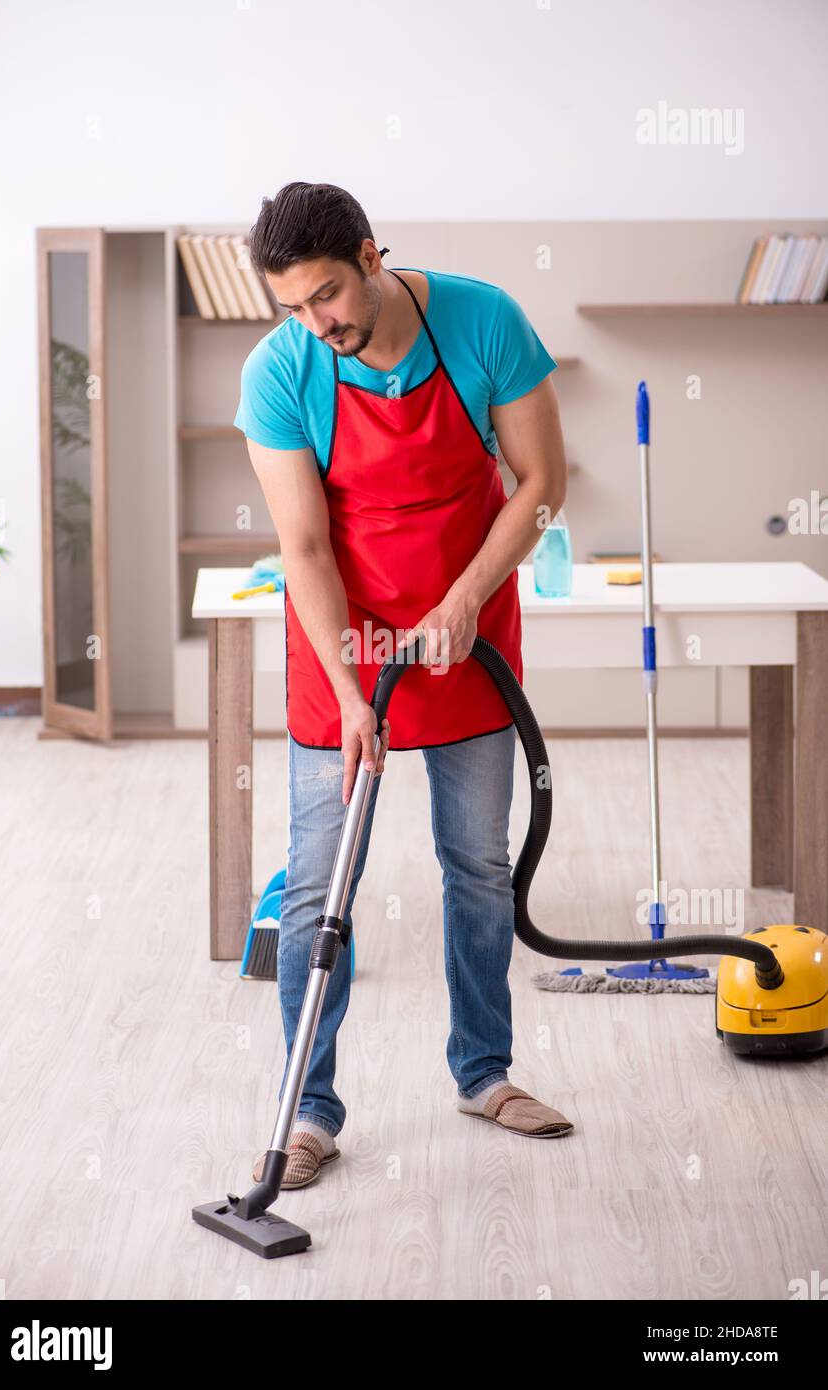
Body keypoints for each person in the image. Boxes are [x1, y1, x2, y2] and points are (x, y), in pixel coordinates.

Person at [234, 182, 574, 1189]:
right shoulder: (282, 369)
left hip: (466, 637)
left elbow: (540, 485)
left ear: (373, 257)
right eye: (294, 306)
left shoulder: (484, 321)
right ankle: (308, 1110)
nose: (316, 323)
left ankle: (484, 1072)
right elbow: (303, 544)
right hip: (345, 644)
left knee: (477, 866)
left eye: (328, 295)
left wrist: (466, 599)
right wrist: (348, 691)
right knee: (313, 891)